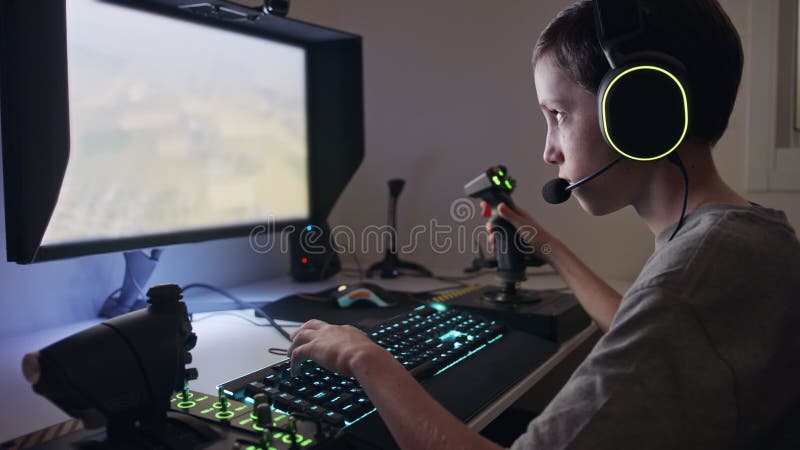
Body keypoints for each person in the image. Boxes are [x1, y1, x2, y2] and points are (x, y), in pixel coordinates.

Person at [288, 0, 800, 448]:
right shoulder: (742, 238)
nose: (548, 150)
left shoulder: (691, 279)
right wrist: (544, 242)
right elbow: (637, 323)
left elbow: (663, 309)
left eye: (557, 114)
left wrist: (367, 359)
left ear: (642, 112)